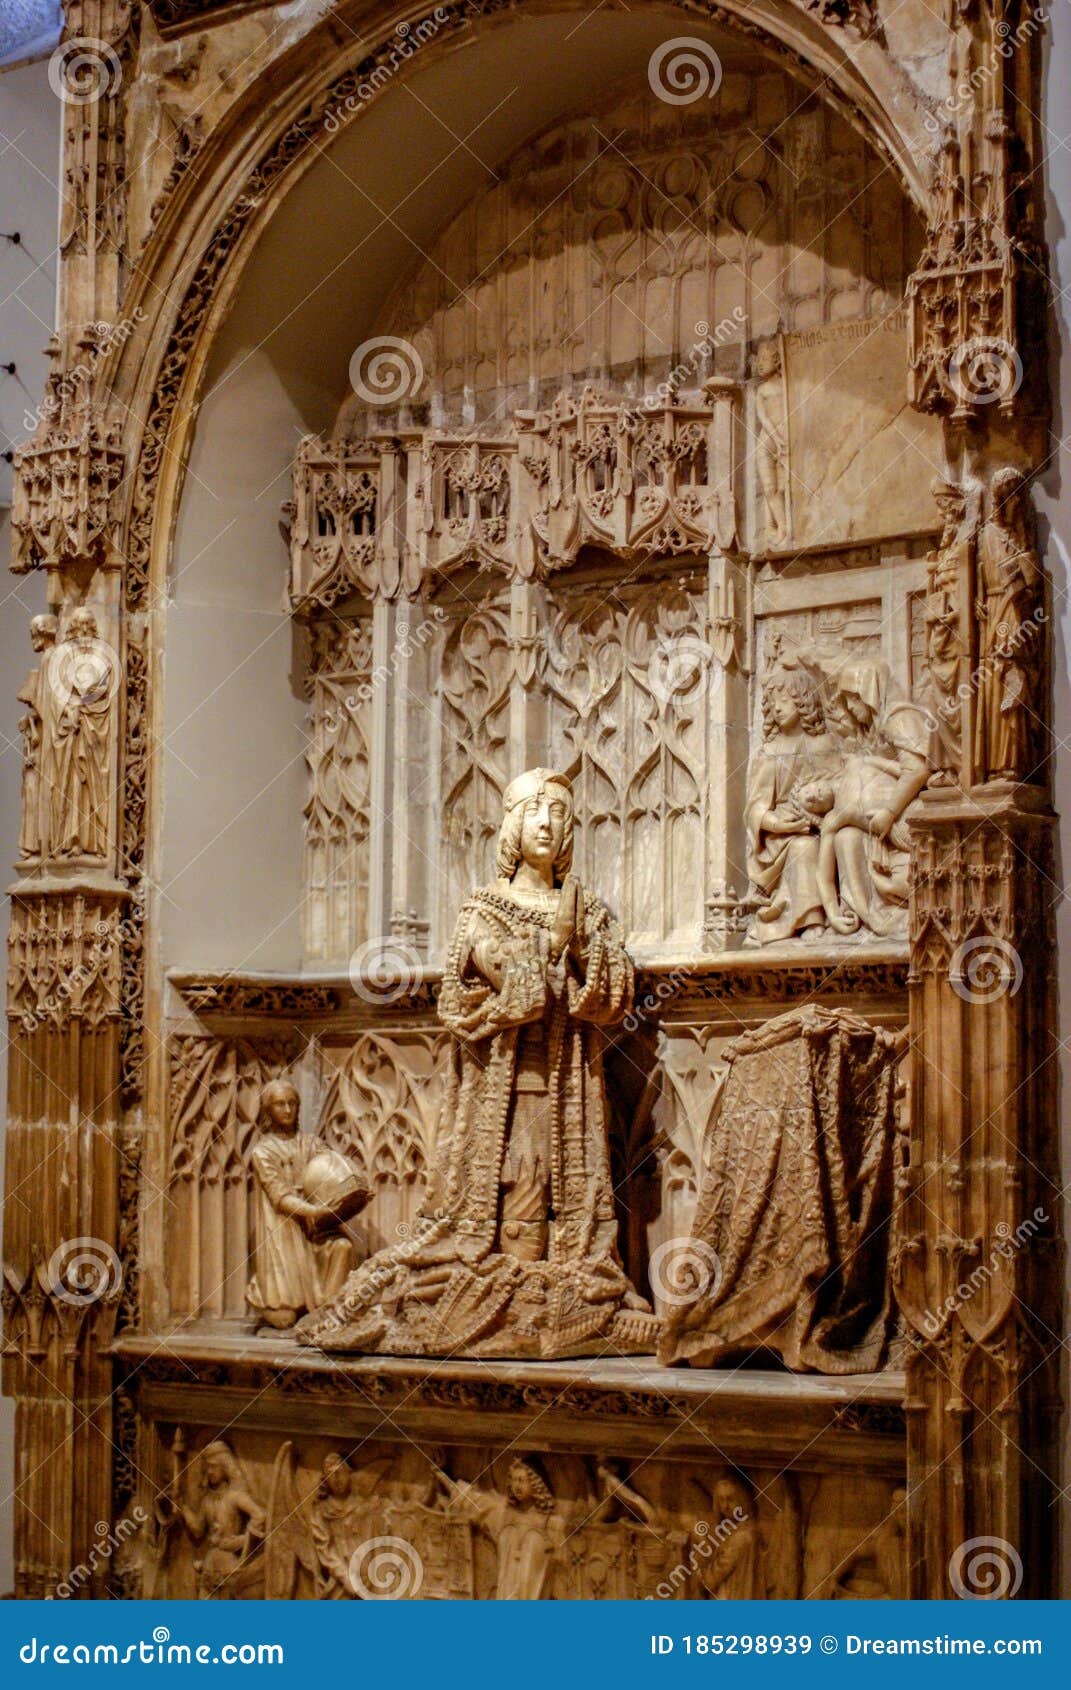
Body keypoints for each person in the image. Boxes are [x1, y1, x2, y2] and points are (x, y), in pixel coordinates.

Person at [298, 768, 657, 1358]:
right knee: (514, 1194)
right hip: (504, 1087)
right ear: (513, 824)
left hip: (570, 1081)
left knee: (567, 1200)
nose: (547, 822)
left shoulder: (586, 907)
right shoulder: (484, 908)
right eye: (535, 810)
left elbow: (614, 994)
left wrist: (584, 947)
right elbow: (475, 995)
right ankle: (522, 1296)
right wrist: (546, 953)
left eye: (560, 812)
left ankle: (573, 1293)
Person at [246, 1079, 365, 1329]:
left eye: (292, 1103)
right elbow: (281, 1198)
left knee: (342, 1246)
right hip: (284, 1230)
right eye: (280, 1105)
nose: (287, 1110)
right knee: (284, 1319)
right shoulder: (263, 1151)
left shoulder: (310, 1143)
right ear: (268, 1110)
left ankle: (326, 1310)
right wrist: (316, 1210)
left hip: (315, 1228)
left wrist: (351, 1192)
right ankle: (280, 1301)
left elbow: (333, 1170)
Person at [746, 669, 842, 943]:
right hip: (780, 836)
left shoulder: (824, 745)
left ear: (804, 702)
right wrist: (779, 824)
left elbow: (840, 788)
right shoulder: (770, 752)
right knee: (803, 848)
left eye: (784, 700)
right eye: (771, 702)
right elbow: (755, 808)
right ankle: (810, 919)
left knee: (824, 842)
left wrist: (818, 812)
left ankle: (838, 909)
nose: (777, 708)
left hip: (822, 825)